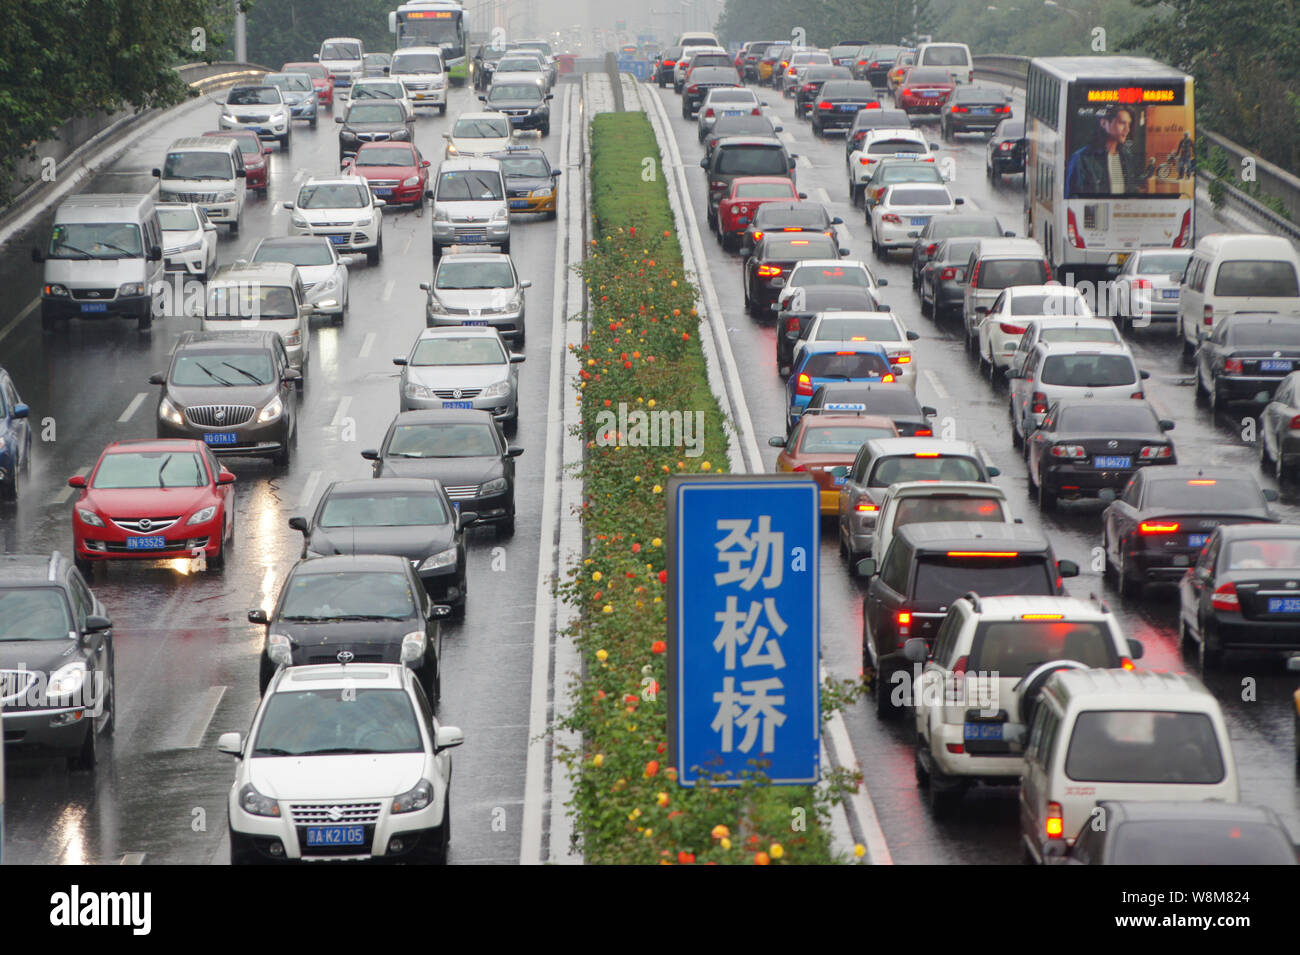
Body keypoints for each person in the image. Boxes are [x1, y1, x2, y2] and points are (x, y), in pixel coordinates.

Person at [1064, 103, 1155, 197]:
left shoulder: (1127, 156)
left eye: (1129, 124)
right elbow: (1073, 200)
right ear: (1104, 123)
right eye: (1122, 123)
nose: (1127, 129)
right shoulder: (1082, 158)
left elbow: (1131, 190)